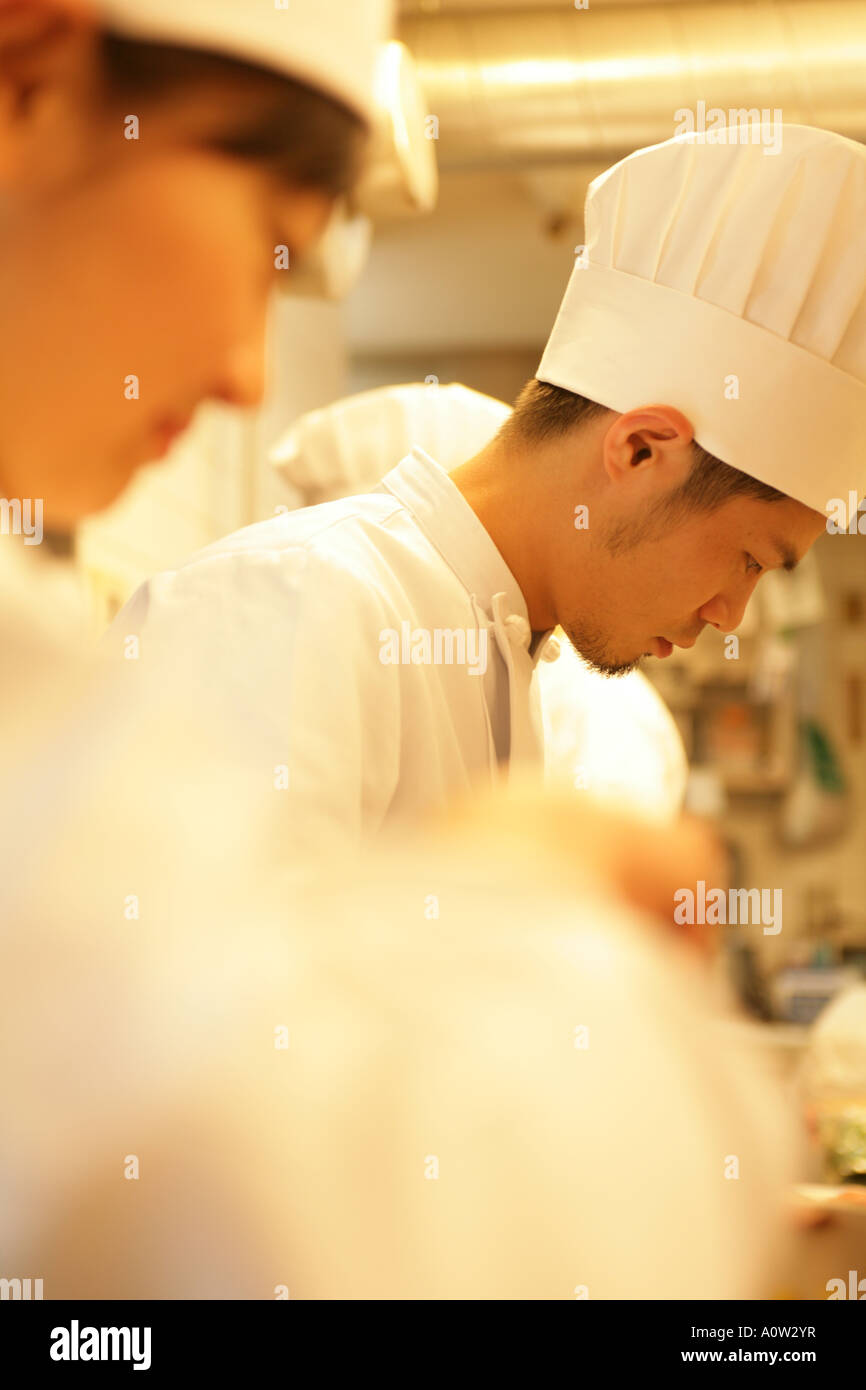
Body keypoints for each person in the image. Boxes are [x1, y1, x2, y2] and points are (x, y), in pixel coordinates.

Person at [105, 123, 859, 857]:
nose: (730, 617)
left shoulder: (513, 665)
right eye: (752, 560)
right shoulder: (293, 604)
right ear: (638, 450)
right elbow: (191, 976)